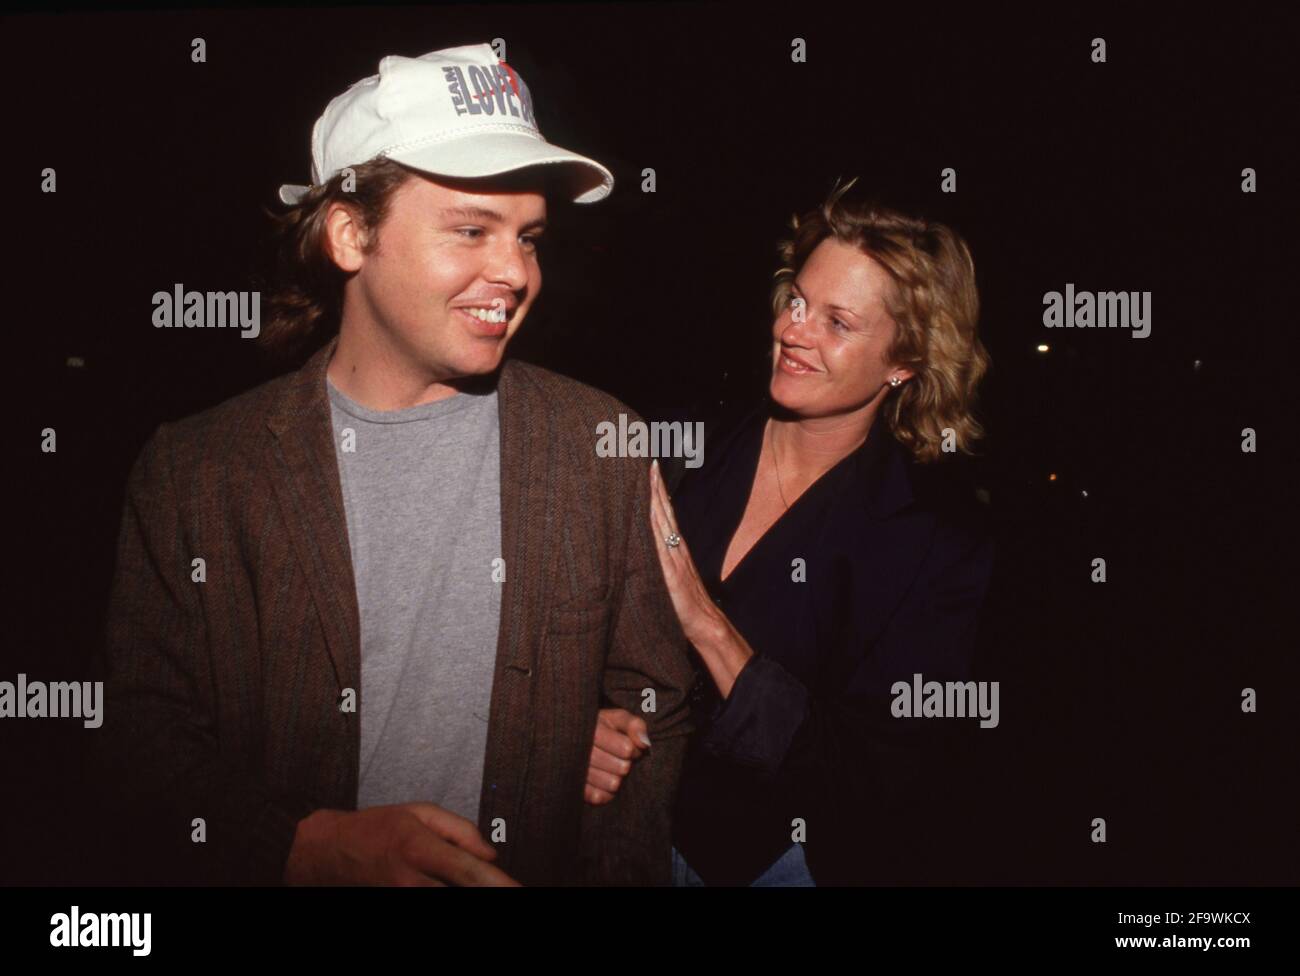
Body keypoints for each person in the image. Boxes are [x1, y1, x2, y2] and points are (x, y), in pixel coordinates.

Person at [90, 43, 693, 886]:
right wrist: (299, 847)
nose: (514, 272)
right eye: (471, 230)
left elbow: (655, 700)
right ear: (351, 234)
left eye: (528, 238)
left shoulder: (597, 443)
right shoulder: (196, 472)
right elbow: (142, 738)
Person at [584, 180, 996, 885]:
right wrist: (581, 724)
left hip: (778, 863)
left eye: (838, 322)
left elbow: (872, 778)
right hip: (620, 835)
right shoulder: (683, 446)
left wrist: (707, 625)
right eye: (797, 301)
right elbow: (579, 631)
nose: (794, 331)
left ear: (905, 361)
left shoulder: (935, 543)